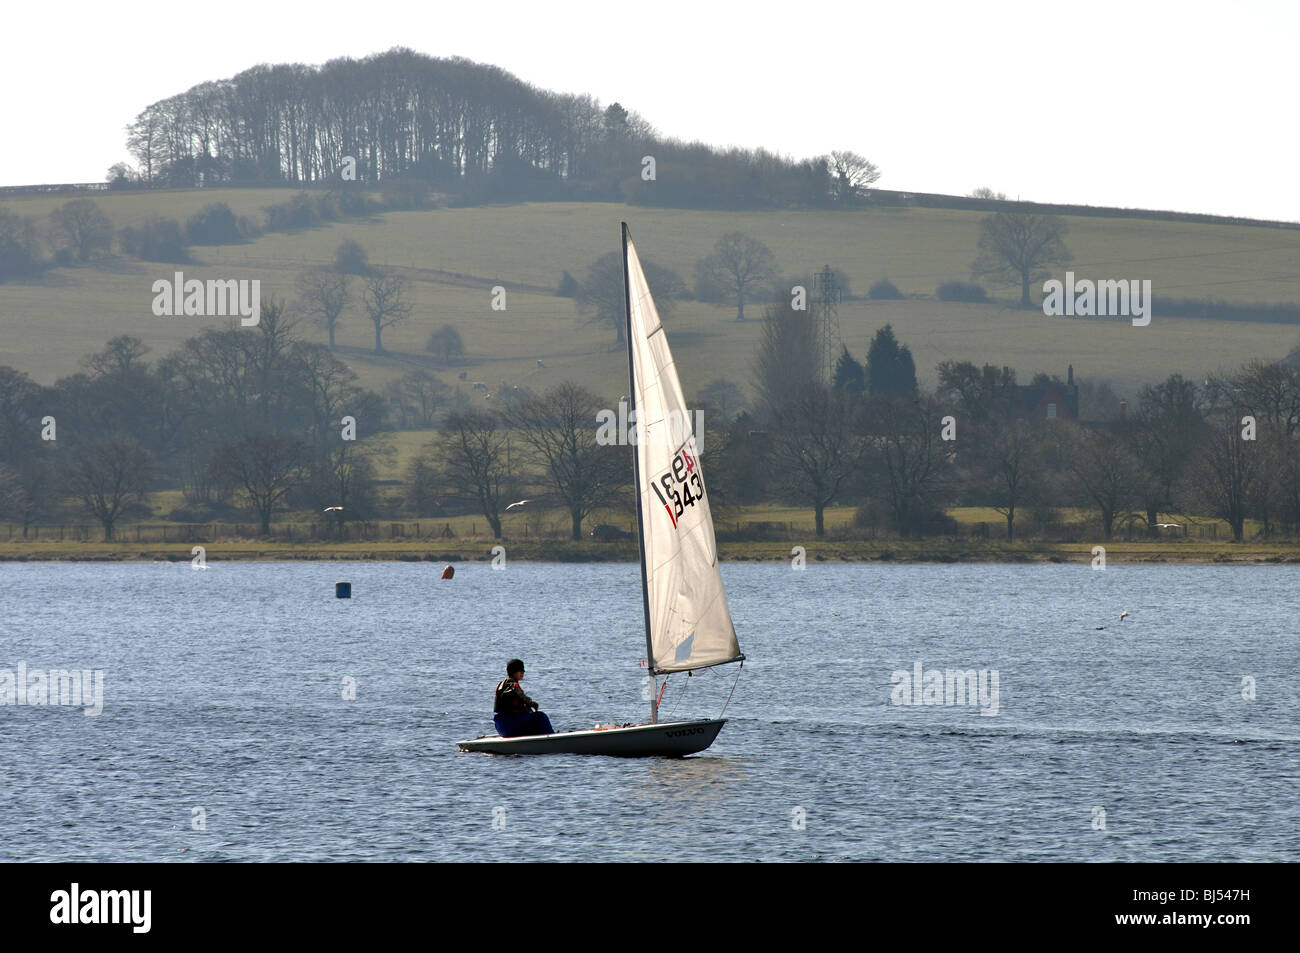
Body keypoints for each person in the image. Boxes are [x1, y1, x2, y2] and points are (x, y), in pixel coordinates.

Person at [493, 659, 555, 737]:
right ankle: (552, 738)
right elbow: (514, 693)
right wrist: (531, 703)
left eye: (523, 670)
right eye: (519, 670)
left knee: (530, 715)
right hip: (509, 725)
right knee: (541, 717)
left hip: (501, 728)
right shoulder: (512, 685)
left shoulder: (501, 684)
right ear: (512, 671)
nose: (523, 672)